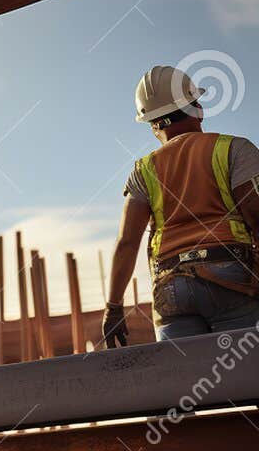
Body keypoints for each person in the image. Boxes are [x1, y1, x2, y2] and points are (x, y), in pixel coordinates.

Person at [103, 65, 259, 345]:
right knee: (246, 378)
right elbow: (256, 216)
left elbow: (127, 242)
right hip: (230, 275)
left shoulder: (143, 170)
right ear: (196, 108)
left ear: (153, 124)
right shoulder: (234, 149)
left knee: (185, 380)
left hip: (171, 285)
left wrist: (113, 308)